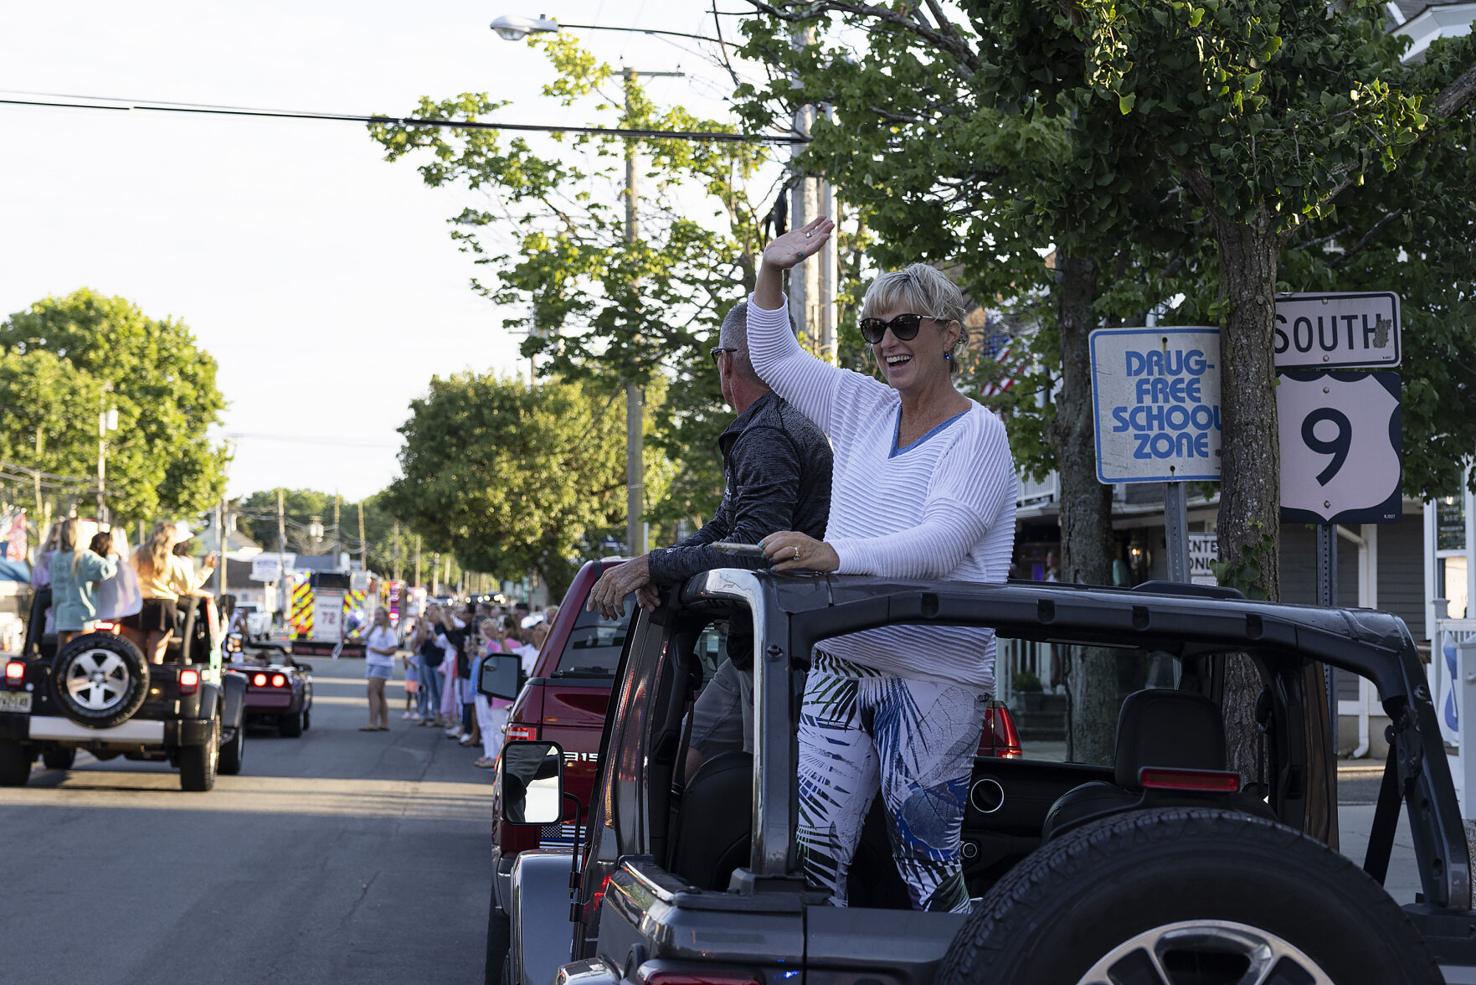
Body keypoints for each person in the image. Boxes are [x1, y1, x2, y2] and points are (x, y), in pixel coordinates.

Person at [750, 217, 1018, 913]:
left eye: (904, 325)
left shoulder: (980, 434)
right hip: (841, 663)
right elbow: (773, 357)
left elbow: (942, 543)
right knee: (812, 863)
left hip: (933, 677)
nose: (888, 343)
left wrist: (835, 555)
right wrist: (771, 269)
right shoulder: (861, 406)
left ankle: (972, 961)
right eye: (875, 330)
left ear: (950, 335)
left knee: (927, 869)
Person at [585, 299, 834, 770]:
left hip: (779, 651)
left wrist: (652, 565)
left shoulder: (768, 433)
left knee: (763, 786)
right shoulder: (774, 423)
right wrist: (656, 568)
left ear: (727, 361)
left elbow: (752, 549)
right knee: (689, 751)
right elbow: (724, 528)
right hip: (758, 647)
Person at [124, 522, 215, 664]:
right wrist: (207, 568)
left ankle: (137, 678)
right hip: (163, 608)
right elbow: (188, 587)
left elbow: (125, 579)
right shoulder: (172, 560)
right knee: (156, 656)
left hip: (137, 605)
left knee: (136, 656)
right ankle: (155, 678)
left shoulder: (135, 555)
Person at [48, 521, 118, 645]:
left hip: (62, 613)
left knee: (63, 652)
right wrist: (111, 556)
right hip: (83, 614)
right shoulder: (85, 556)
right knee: (82, 650)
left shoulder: (55, 557)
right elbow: (108, 570)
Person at [361, 608, 397, 731]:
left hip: (383, 664)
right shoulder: (372, 629)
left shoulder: (389, 631)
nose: (377, 617)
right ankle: (384, 722)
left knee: (372, 691)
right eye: (376, 614)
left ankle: (372, 722)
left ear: (385, 616)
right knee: (379, 693)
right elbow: (361, 639)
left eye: (380, 614)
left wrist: (378, 651)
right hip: (371, 663)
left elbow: (393, 650)